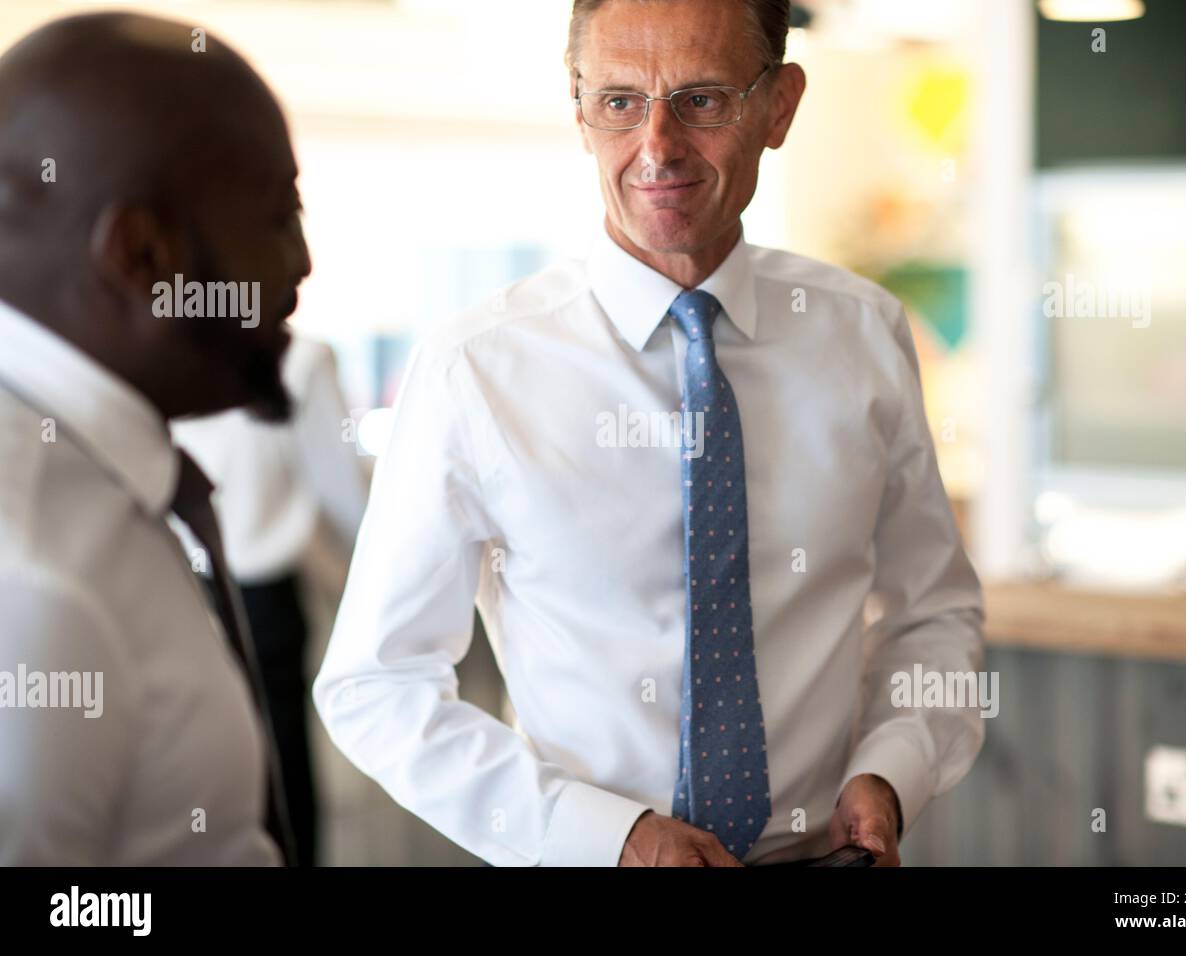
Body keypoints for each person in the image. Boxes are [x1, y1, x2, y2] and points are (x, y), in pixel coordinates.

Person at [314, 0, 986, 867]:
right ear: (579, 106)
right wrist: (609, 840)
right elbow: (377, 684)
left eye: (702, 99)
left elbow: (933, 610)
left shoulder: (864, 335)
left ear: (779, 105)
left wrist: (893, 769)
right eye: (621, 101)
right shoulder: (474, 370)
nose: (658, 147)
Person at [0, 12, 311, 864]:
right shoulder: (31, 578)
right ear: (144, 255)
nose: (303, 263)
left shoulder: (91, 490)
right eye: (281, 214)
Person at [172, 334, 372, 866]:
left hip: (180, 586)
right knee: (280, 772)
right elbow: (343, 493)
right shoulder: (301, 358)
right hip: (262, 601)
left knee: (203, 770)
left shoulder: (159, 339)